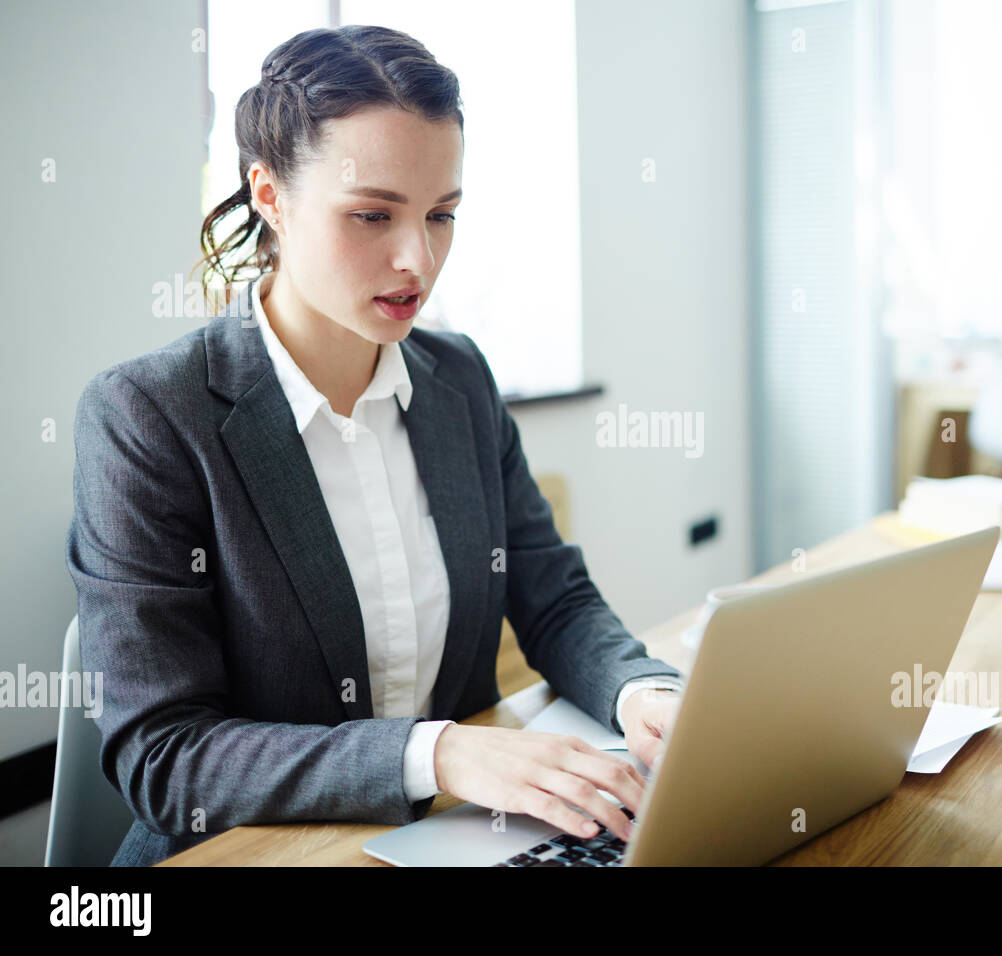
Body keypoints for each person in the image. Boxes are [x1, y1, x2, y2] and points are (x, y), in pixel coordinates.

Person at [65, 24, 683, 867]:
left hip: (455, 840)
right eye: (371, 214)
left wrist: (641, 691)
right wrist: (438, 754)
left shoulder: (458, 379)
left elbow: (553, 597)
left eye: (441, 215)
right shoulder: (147, 417)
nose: (416, 259)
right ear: (270, 196)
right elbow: (165, 757)